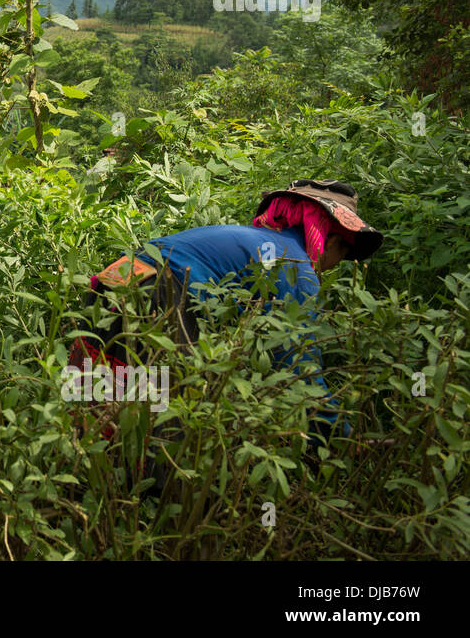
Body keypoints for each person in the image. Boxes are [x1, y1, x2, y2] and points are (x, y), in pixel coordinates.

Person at [72, 179, 384, 444]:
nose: (336, 263)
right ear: (329, 240)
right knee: (167, 421)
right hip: (161, 289)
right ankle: (154, 505)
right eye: (342, 253)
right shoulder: (297, 268)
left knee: (94, 395)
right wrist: (340, 435)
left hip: (118, 274)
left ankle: (89, 483)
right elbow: (301, 370)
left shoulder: (259, 242)